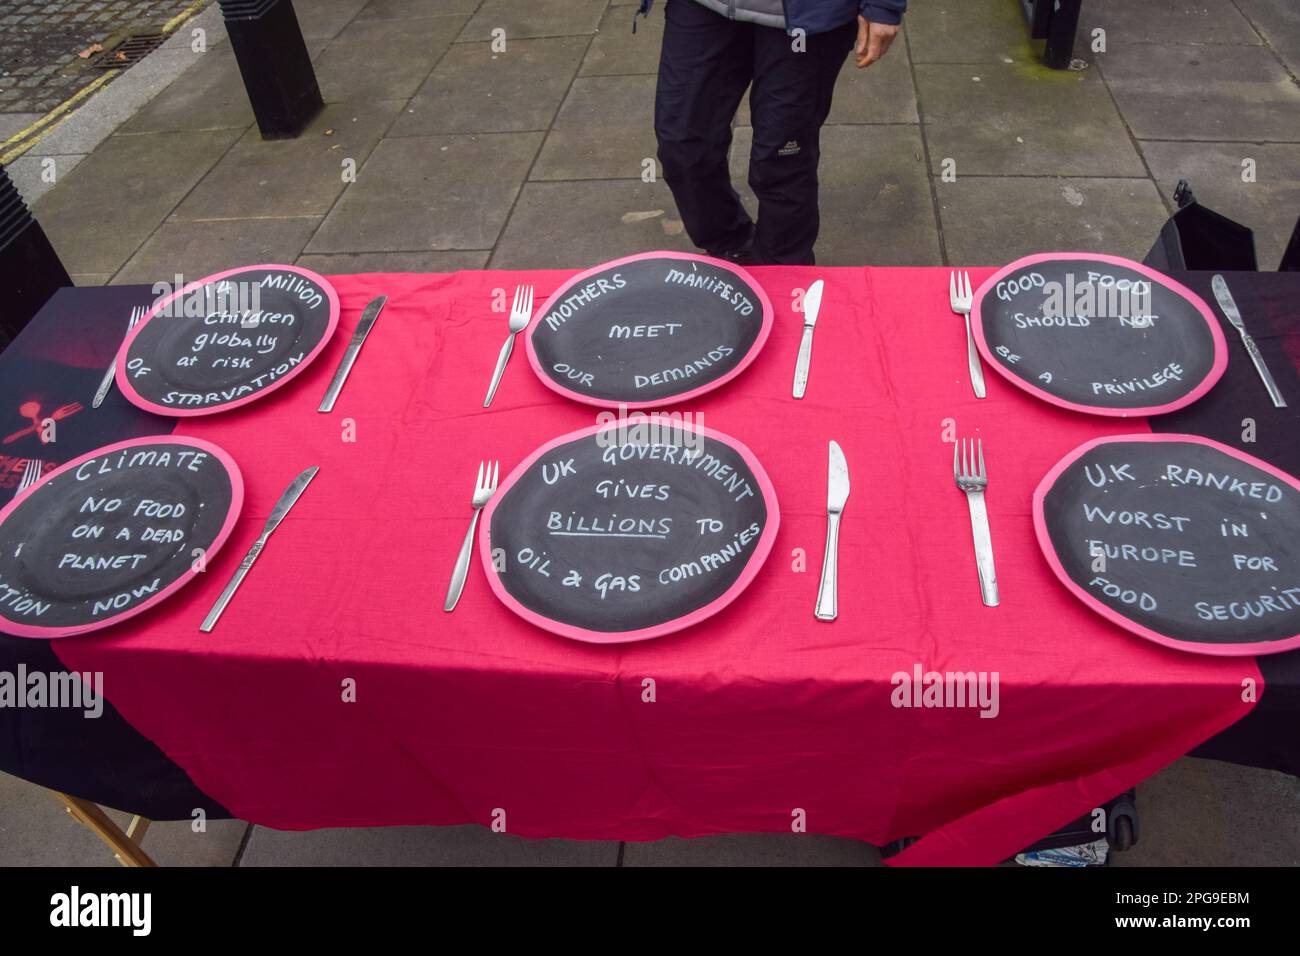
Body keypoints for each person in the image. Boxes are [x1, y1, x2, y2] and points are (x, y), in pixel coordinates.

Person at [638, 0, 907, 265]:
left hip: (808, 16)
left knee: (782, 159)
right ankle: (731, 248)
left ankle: (785, 274)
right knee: (682, 144)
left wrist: (884, 5)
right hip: (703, 7)